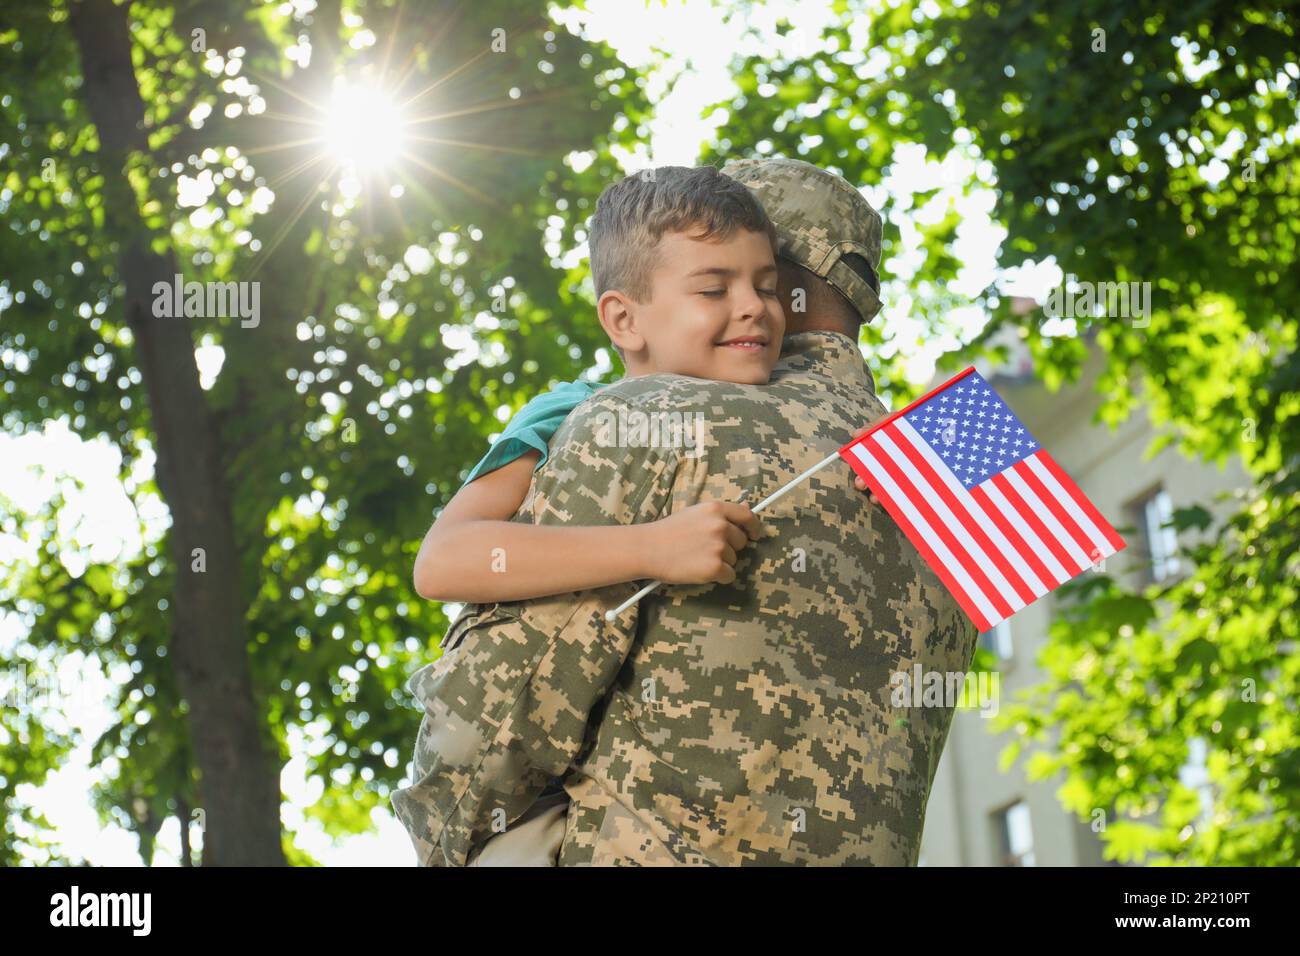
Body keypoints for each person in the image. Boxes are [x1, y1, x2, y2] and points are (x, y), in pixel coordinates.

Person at [392, 157, 975, 866]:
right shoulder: (944, 469)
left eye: (765, 283)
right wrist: (649, 548)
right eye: (713, 285)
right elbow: (442, 559)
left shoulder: (634, 425)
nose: (753, 307)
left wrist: (444, 834)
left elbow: (487, 729)